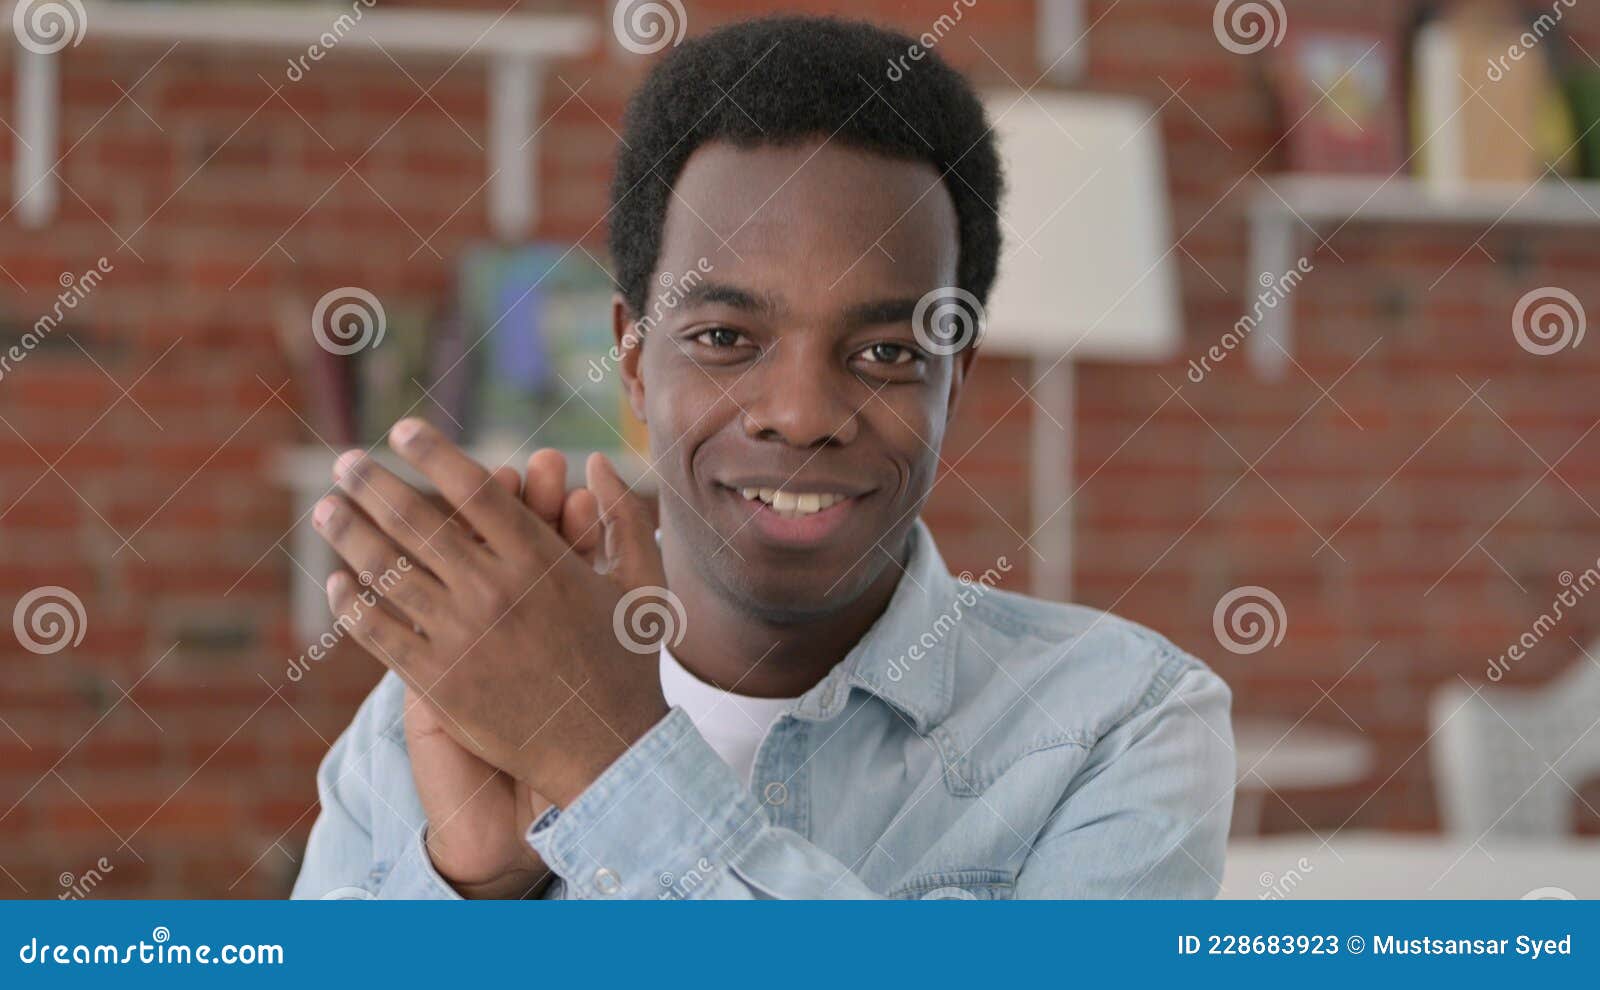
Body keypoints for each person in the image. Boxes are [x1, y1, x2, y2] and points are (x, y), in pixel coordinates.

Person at [292, 15, 1234, 901]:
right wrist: (474, 892)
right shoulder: (448, 703)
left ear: (954, 379)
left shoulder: (1124, 720)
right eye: (724, 338)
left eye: (886, 353)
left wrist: (609, 764)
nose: (801, 415)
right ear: (633, 361)